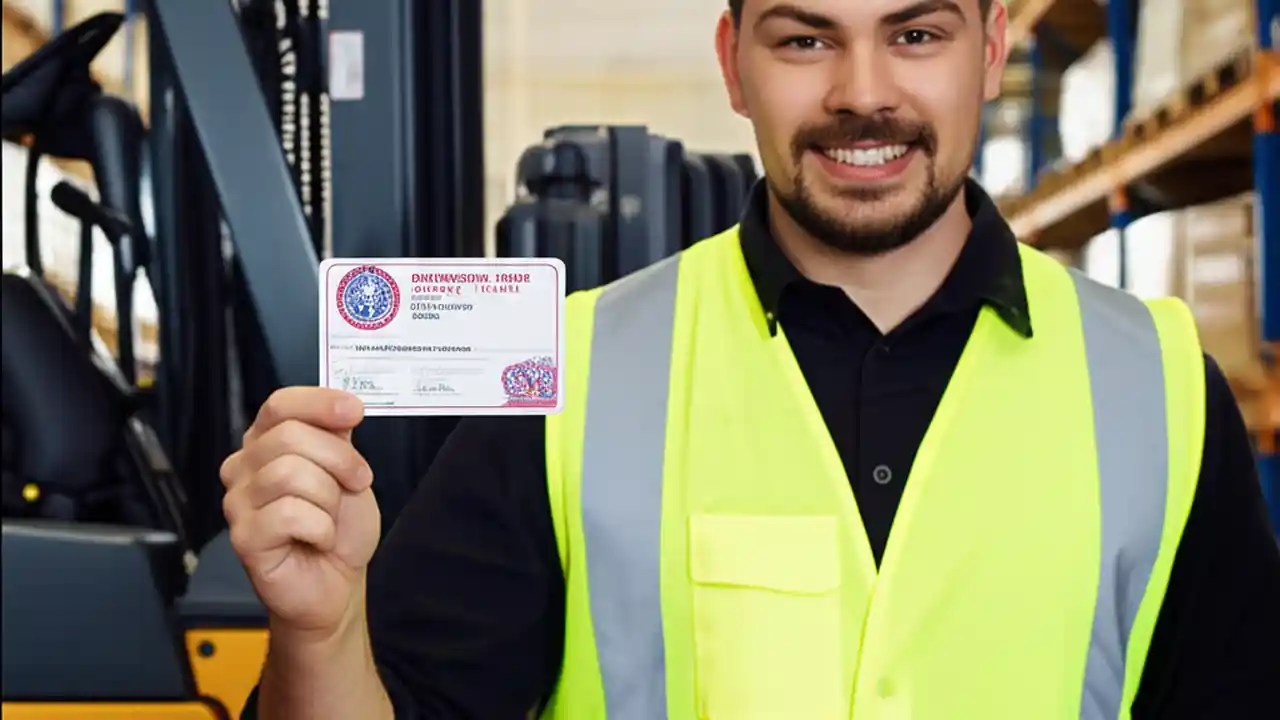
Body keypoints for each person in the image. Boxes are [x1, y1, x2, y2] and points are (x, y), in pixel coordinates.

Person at [225, 1, 1280, 717]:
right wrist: (319, 631)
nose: (862, 94)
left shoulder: (1156, 384)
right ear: (732, 63)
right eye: (803, 40)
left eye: (914, 33)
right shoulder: (567, 381)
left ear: (990, 49)